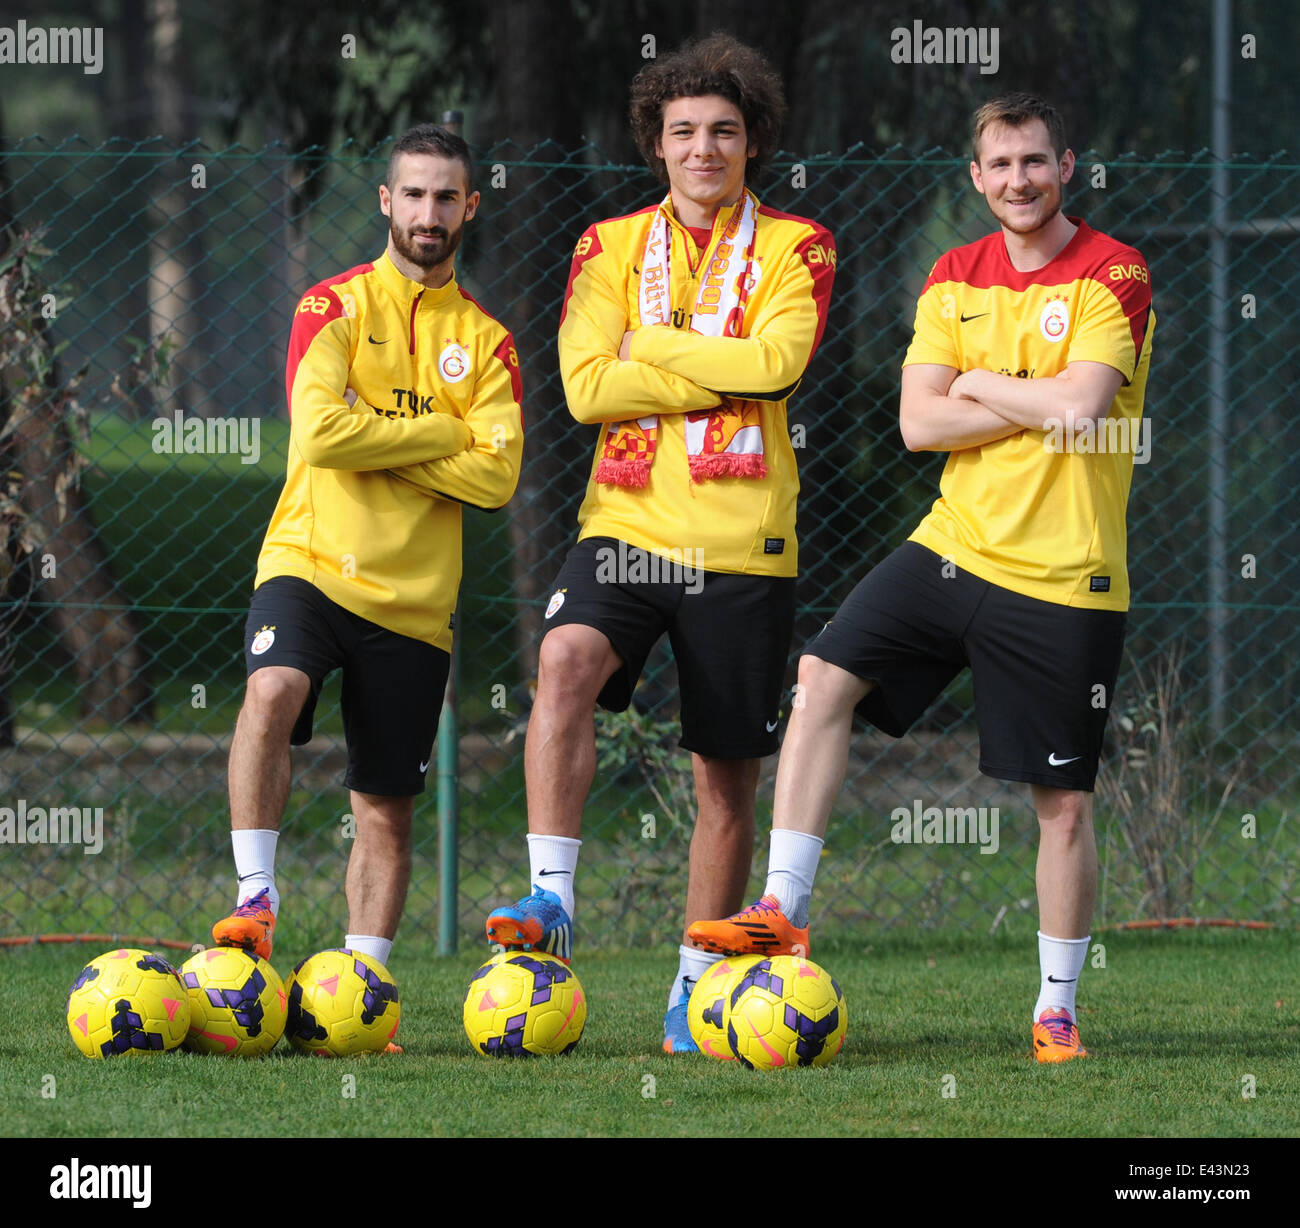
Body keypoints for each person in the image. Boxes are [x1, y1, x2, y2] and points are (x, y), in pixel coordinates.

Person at [689, 93, 1155, 1063]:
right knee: (821, 679)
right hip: (950, 548)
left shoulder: (1114, 271)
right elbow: (917, 424)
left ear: (1065, 165)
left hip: (1065, 578)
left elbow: (1079, 410)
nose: (1019, 180)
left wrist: (976, 383)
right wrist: (1008, 397)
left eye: (1035, 161)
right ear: (976, 178)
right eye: (1000, 166)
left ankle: (1057, 1007)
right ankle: (782, 907)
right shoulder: (953, 275)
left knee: (1060, 805)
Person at [483, 33, 835, 1053]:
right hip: (626, 525)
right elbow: (587, 388)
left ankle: (695, 984)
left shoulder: (795, 245)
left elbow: (776, 366)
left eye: (723, 131)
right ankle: (552, 900)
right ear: (656, 143)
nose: (703, 149)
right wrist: (709, 364)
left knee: (723, 779)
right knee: (562, 660)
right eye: (683, 132)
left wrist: (650, 349)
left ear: (752, 142)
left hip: (742, 542)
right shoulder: (607, 245)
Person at [211, 124, 524, 1052]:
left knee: (384, 807)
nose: (428, 215)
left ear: (471, 206)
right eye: (413, 195)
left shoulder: (491, 342)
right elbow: (318, 439)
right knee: (271, 690)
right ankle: (254, 900)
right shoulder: (331, 306)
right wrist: (443, 432)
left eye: (447, 198)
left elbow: (498, 481)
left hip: (415, 606)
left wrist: (384, 437)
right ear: (386, 201)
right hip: (309, 562)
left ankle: (364, 996)